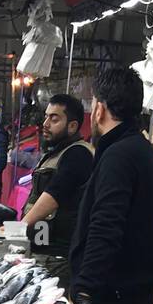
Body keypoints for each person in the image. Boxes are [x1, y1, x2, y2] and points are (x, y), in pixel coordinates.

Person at [69, 67, 153, 304]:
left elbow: (105, 226)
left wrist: (85, 289)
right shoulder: (138, 150)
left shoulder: (120, 156)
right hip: (128, 293)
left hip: (113, 295)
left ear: (100, 109)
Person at [23, 94, 93, 262]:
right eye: (46, 117)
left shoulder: (78, 154)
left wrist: (18, 227)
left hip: (60, 256)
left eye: (54, 119)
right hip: (42, 247)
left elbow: (54, 195)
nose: (45, 124)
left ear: (72, 126)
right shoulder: (56, 153)